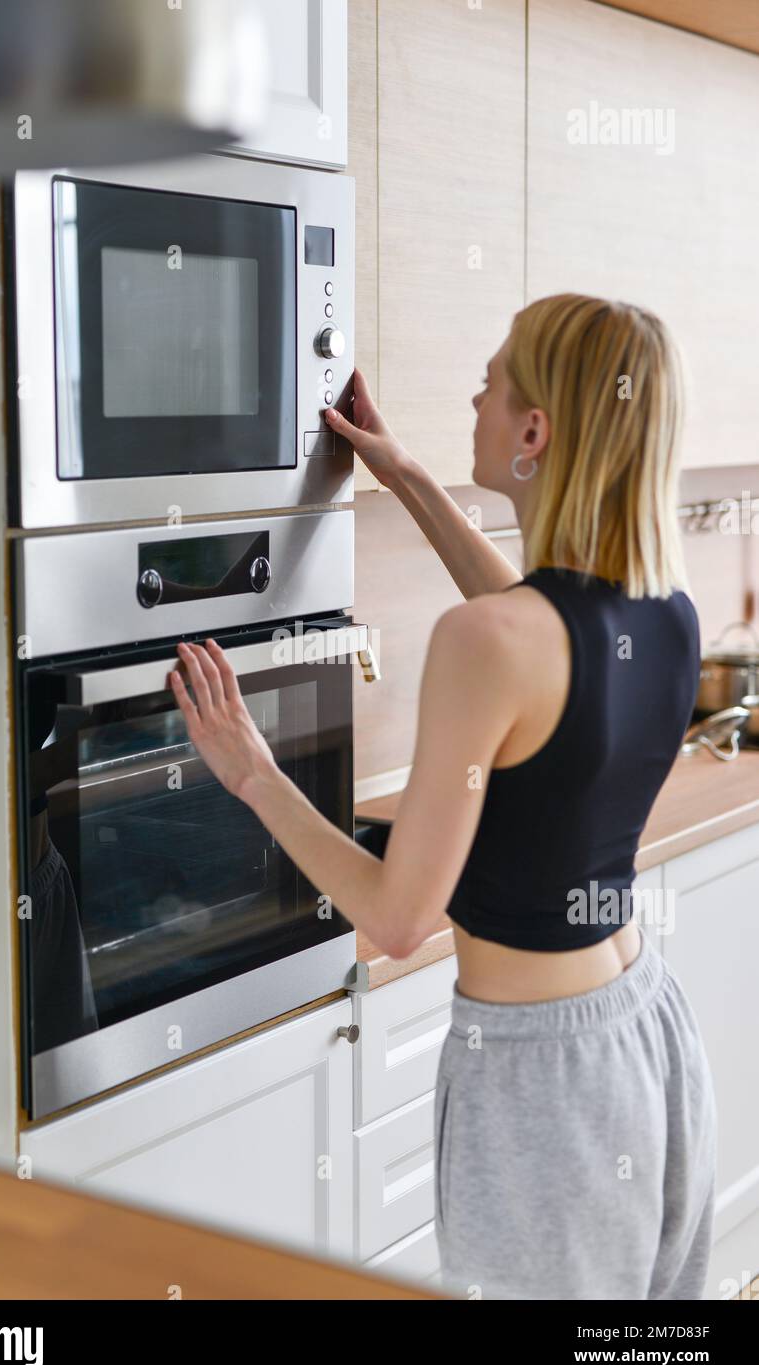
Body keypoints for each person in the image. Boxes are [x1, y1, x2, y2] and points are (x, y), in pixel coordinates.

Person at [168, 293, 717, 1300]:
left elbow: (398, 916)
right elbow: (529, 630)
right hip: (644, 1031)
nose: (475, 394)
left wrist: (253, 771)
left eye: (491, 378)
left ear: (534, 430)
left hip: (544, 1082)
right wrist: (408, 474)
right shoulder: (667, 613)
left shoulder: (489, 645)